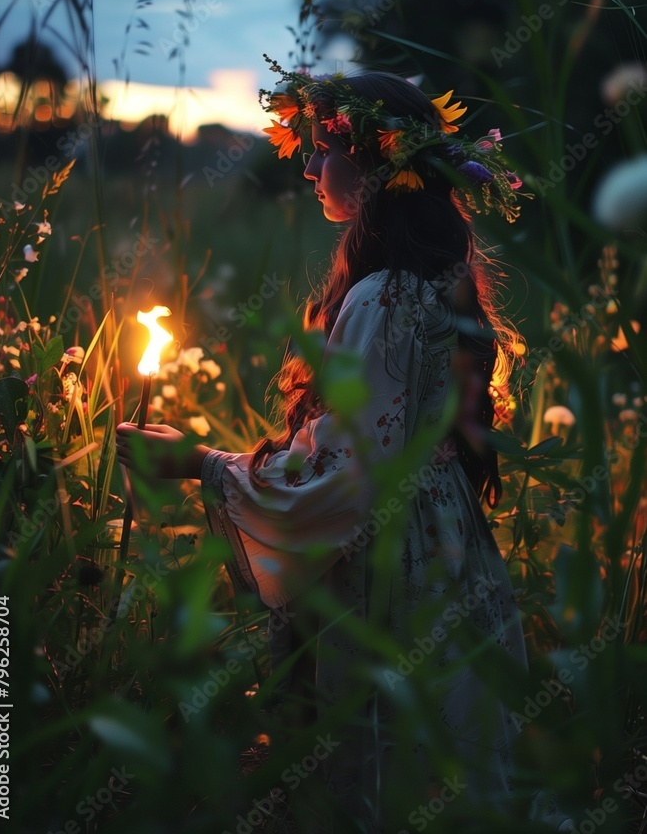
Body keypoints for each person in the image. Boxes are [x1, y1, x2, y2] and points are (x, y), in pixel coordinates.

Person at [116, 66, 573, 832]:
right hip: (446, 539)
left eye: (321, 150)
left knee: (382, 764)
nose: (305, 168)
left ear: (373, 161)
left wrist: (199, 464)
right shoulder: (438, 278)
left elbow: (345, 478)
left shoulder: (381, 296)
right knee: (448, 751)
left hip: (391, 558)